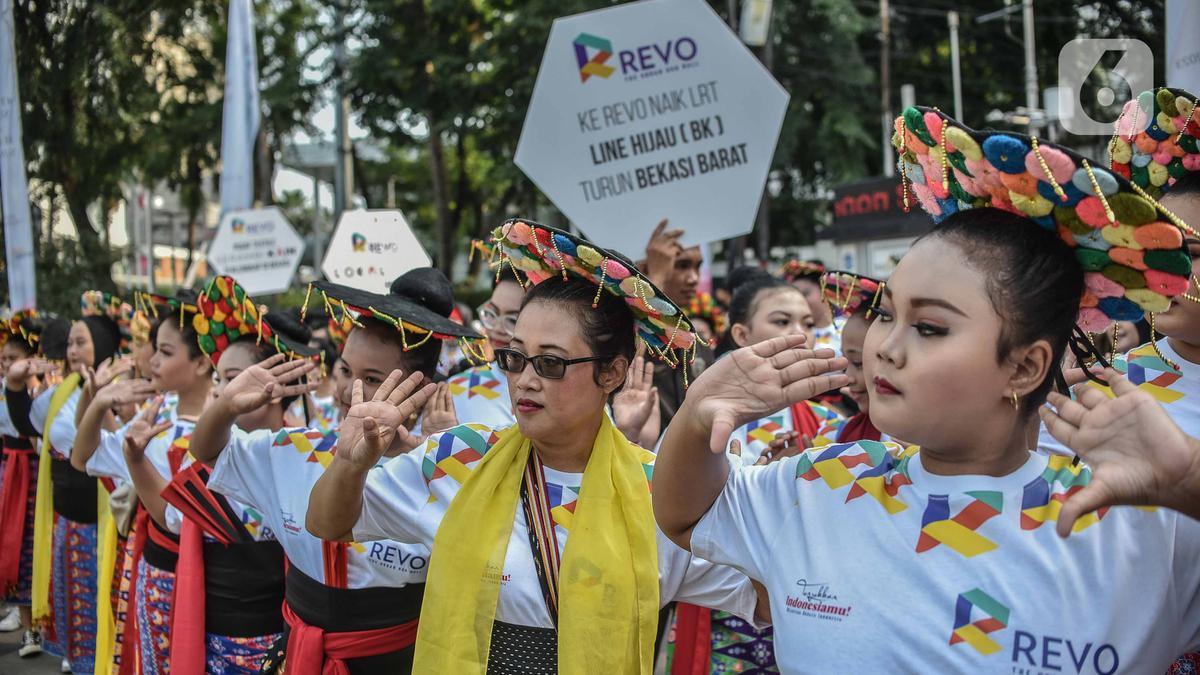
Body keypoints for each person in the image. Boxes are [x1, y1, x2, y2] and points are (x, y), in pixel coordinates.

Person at [652, 108, 1200, 672]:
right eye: (887, 314)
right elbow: (687, 517)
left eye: (931, 327)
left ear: (1025, 368)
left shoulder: (1136, 524)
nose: (885, 347)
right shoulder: (823, 484)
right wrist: (696, 415)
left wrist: (1187, 482)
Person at [307, 220, 782, 674]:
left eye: (551, 363)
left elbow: (762, 598)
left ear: (612, 373)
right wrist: (350, 464)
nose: (525, 380)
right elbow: (328, 524)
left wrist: (756, 514)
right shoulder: (458, 457)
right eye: (514, 357)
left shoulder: (658, 489)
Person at [188, 268, 478, 674]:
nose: (348, 392)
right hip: (299, 653)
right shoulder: (297, 450)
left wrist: (444, 454)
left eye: (372, 379)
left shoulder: (438, 472)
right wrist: (225, 406)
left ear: (422, 387)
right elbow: (208, 453)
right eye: (345, 370)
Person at [133, 277, 316, 675]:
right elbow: (170, 519)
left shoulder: (305, 455)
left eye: (233, 378)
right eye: (217, 379)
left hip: (282, 640)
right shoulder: (206, 457)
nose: (220, 391)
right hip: (213, 636)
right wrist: (135, 459)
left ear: (279, 383)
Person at [72, 290, 212, 675]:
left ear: (201, 363)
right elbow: (81, 457)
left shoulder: (227, 430)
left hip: (219, 584)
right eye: (154, 350)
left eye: (165, 352)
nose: (151, 360)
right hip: (159, 570)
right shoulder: (153, 417)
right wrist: (99, 402)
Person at [6, 292, 129, 673]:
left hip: (112, 522)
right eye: (71, 343)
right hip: (69, 522)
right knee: (77, 610)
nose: (73, 351)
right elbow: (26, 423)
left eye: (82, 341)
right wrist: (14, 386)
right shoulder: (58, 394)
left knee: (110, 611)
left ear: (104, 344)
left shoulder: (129, 391)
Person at [718, 266, 841, 466]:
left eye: (808, 324)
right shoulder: (709, 421)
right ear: (742, 334)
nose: (800, 335)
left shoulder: (830, 423)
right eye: (782, 321)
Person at [422, 264, 525, 435]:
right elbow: (420, 452)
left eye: (512, 321)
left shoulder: (565, 394)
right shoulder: (456, 388)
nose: (497, 328)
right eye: (492, 314)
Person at [0, 312, 46, 651]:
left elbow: (37, 440)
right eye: (3, 359)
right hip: (8, 468)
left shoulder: (38, 395)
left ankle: (36, 626)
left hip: (30, 471)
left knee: (31, 543)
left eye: (12, 359)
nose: (6, 364)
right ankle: (20, 612)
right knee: (11, 541)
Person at [641, 220, 713, 431]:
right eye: (682, 265)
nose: (694, 278)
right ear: (647, 266)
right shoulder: (622, 334)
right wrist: (655, 280)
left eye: (698, 266)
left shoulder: (697, 339)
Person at [783, 260, 840, 353]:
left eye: (805, 294)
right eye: (794, 296)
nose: (799, 301)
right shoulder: (790, 334)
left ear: (824, 291)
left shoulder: (847, 329)